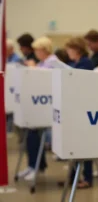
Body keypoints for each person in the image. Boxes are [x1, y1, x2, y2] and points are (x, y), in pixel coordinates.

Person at [17, 36, 58, 181]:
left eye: (38, 50)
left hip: (46, 105)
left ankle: (36, 166)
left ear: (44, 50)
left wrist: (32, 68)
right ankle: (33, 165)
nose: (36, 53)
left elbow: (43, 80)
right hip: (38, 105)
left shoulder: (52, 62)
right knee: (31, 134)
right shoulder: (43, 62)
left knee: (34, 135)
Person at [63, 36, 94, 189]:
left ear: (76, 49)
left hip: (84, 106)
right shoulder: (73, 63)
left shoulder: (86, 63)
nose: (67, 52)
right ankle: (74, 177)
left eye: (69, 49)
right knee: (75, 144)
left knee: (85, 145)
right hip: (75, 106)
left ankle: (86, 178)